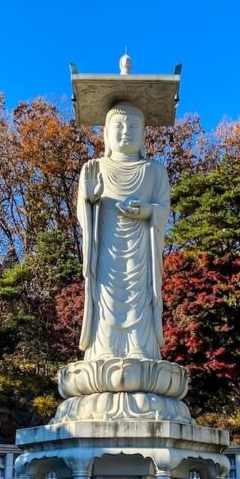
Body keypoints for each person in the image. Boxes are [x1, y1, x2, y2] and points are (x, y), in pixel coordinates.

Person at [77, 102, 169, 361]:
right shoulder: (94, 167)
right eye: (118, 126)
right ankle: (104, 347)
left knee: (138, 295)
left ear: (144, 135)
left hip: (141, 248)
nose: (126, 131)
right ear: (106, 133)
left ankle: (139, 346)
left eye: (134, 126)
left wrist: (148, 211)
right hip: (106, 246)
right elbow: (83, 214)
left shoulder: (154, 170)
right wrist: (90, 199)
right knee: (106, 293)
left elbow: (164, 209)